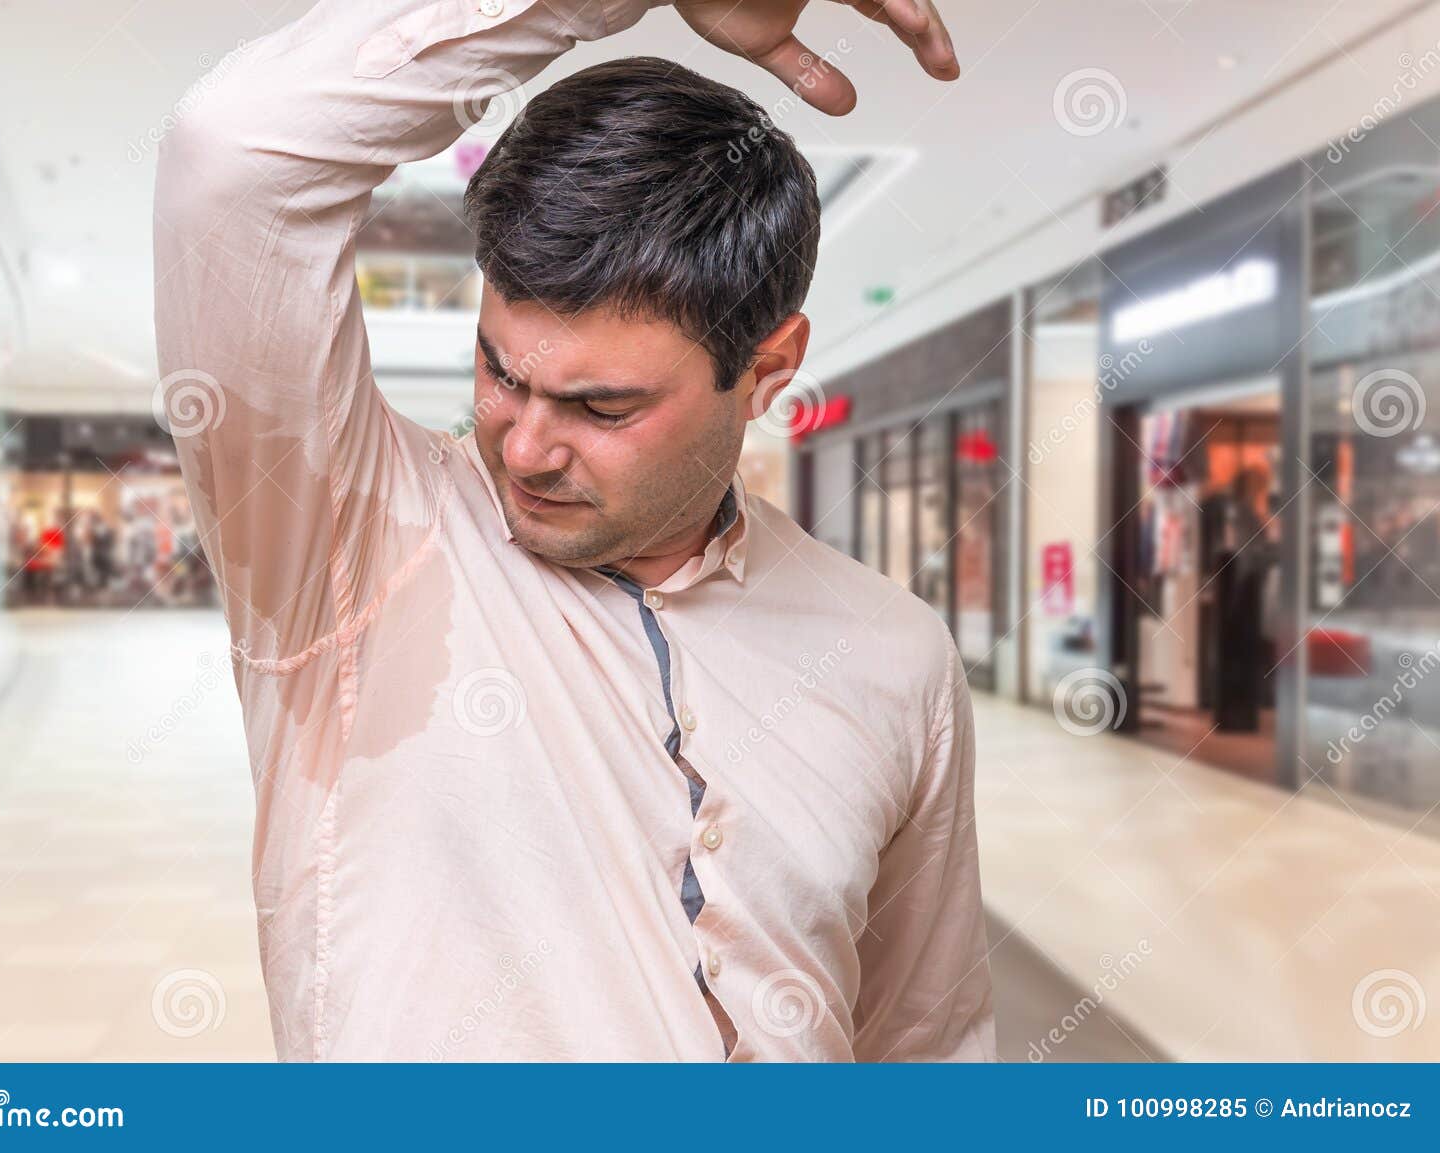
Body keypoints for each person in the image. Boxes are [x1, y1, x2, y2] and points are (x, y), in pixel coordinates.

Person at [155, 0, 992, 1061]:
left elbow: (925, 1039)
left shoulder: (893, 652)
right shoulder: (343, 533)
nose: (523, 448)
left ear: (768, 372)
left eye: (601, 408)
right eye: (499, 373)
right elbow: (229, 155)